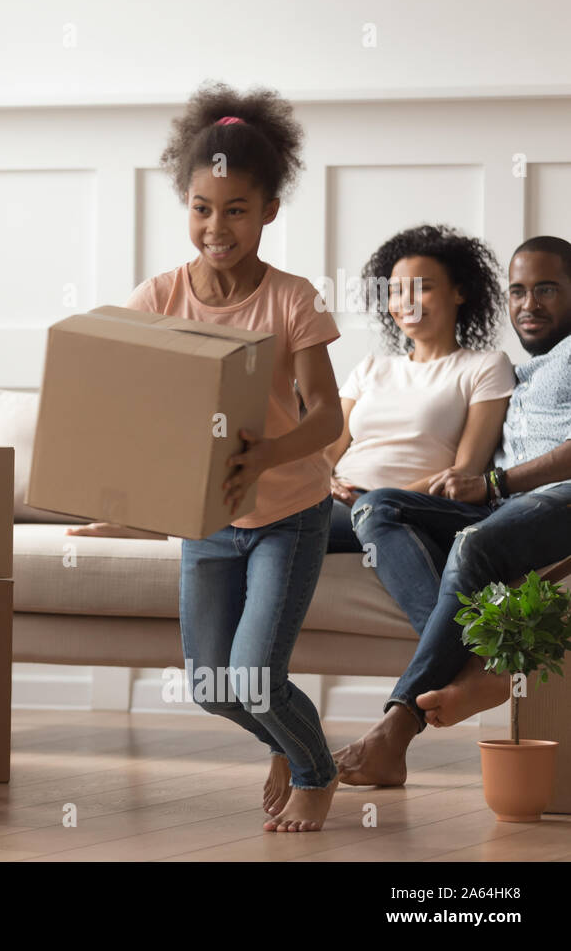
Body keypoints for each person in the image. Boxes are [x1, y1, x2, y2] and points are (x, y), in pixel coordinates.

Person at [121, 83, 344, 831]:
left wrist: (266, 454)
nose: (217, 227)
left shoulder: (293, 301)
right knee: (214, 687)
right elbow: (128, 404)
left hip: (288, 514)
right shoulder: (156, 298)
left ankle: (316, 771)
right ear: (185, 203)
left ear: (269, 212)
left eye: (236, 210)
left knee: (253, 675)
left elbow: (328, 419)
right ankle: (285, 737)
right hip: (206, 521)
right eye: (201, 208)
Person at [336, 236, 571, 786]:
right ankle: (476, 664)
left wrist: (495, 481)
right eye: (518, 291)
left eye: (547, 290)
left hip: (557, 498)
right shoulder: (524, 369)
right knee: (377, 507)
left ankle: (395, 729)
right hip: (505, 505)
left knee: (475, 543)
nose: (528, 304)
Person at [325, 225, 513, 552]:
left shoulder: (486, 366)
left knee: (282, 524)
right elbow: (326, 450)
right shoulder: (371, 367)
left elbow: (465, 471)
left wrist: (375, 501)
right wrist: (321, 480)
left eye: (422, 287)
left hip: (410, 507)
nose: (406, 302)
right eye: (397, 291)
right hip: (338, 500)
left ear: (460, 291)